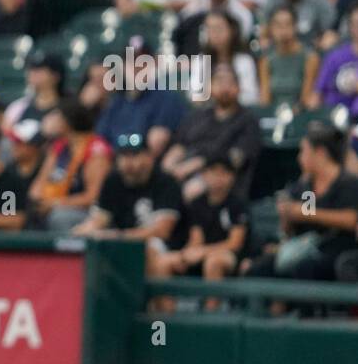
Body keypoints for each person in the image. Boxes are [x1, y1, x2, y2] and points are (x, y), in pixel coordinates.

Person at [244, 122, 358, 281]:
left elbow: (350, 220)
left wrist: (303, 213)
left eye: (304, 151)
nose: (300, 158)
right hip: (307, 246)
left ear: (320, 153)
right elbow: (301, 226)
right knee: (259, 268)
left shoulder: (348, 183)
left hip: (338, 248)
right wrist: (287, 215)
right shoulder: (306, 187)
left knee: (305, 267)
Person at [74, 133, 184, 276]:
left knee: (145, 248)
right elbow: (99, 220)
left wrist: (119, 236)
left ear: (149, 157)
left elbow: (162, 231)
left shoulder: (165, 182)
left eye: (135, 155)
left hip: (166, 245)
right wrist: (81, 232)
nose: (128, 162)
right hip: (122, 240)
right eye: (124, 156)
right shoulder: (113, 180)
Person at [163, 63, 261, 200]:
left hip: (222, 179)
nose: (225, 87)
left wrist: (197, 164)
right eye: (219, 81)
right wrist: (169, 165)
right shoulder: (197, 116)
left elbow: (236, 158)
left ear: (239, 88)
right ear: (209, 86)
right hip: (184, 170)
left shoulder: (248, 121)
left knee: (191, 189)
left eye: (230, 82)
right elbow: (179, 145)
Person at [157, 155, 248, 300]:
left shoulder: (237, 204)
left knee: (213, 262)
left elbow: (235, 243)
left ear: (232, 177)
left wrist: (202, 252)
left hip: (228, 255)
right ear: (204, 175)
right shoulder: (197, 203)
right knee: (165, 261)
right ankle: (164, 315)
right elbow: (196, 237)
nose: (218, 178)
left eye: (224, 173)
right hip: (202, 252)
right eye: (213, 172)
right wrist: (187, 254)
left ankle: (211, 315)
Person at [29, 100, 111, 231]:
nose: (49, 120)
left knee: (59, 217)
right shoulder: (59, 147)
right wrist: (35, 201)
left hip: (86, 212)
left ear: (68, 122)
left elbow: (93, 197)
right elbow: (40, 182)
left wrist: (56, 204)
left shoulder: (96, 151)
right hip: (54, 202)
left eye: (55, 116)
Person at [259, 8, 319, 110]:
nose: (283, 30)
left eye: (288, 24)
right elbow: (265, 99)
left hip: (300, 113)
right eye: (278, 25)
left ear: (295, 27)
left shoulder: (310, 58)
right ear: (271, 29)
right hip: (274, 113)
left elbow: (307, 98)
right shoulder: (266, 60)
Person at [314, 5, 358, 123]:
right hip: (333, 118)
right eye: (357, 24)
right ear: (350, 27)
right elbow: (318, 92)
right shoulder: (335, 57)